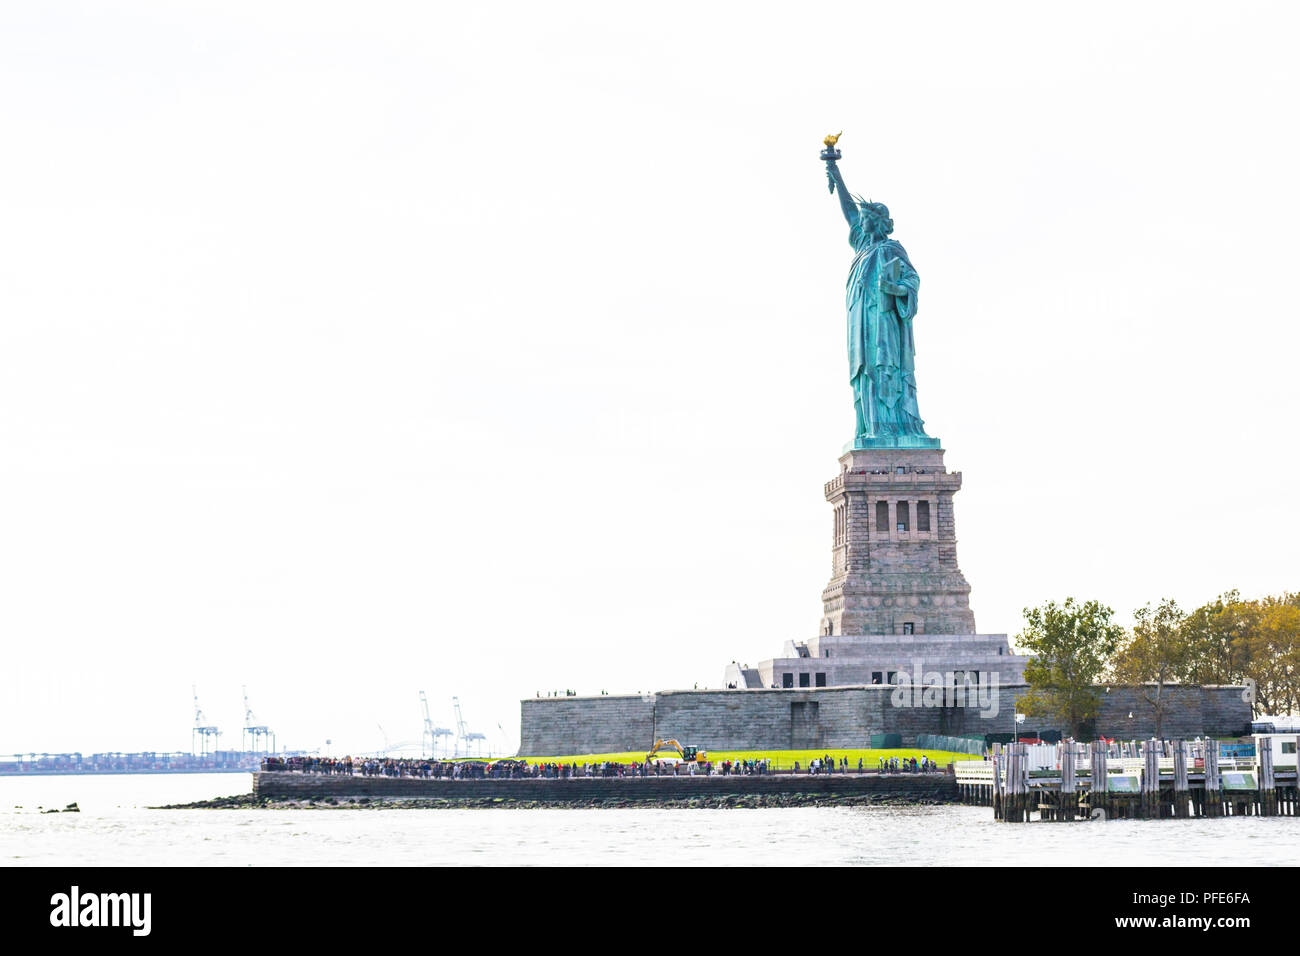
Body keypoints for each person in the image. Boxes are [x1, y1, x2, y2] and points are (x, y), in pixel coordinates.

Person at [824, 155, 929, 444]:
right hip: (861, 326)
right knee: (864, 374)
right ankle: (872, 428)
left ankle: (892, 429)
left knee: (884, 371)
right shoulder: (862, 246)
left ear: (879, 224)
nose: (863, 221)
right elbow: (849, 213)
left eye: (868, 219)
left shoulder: (891, 249)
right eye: (864, 219)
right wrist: (836, 172)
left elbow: (912, 280)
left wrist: (896, 290)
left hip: (883, 325)